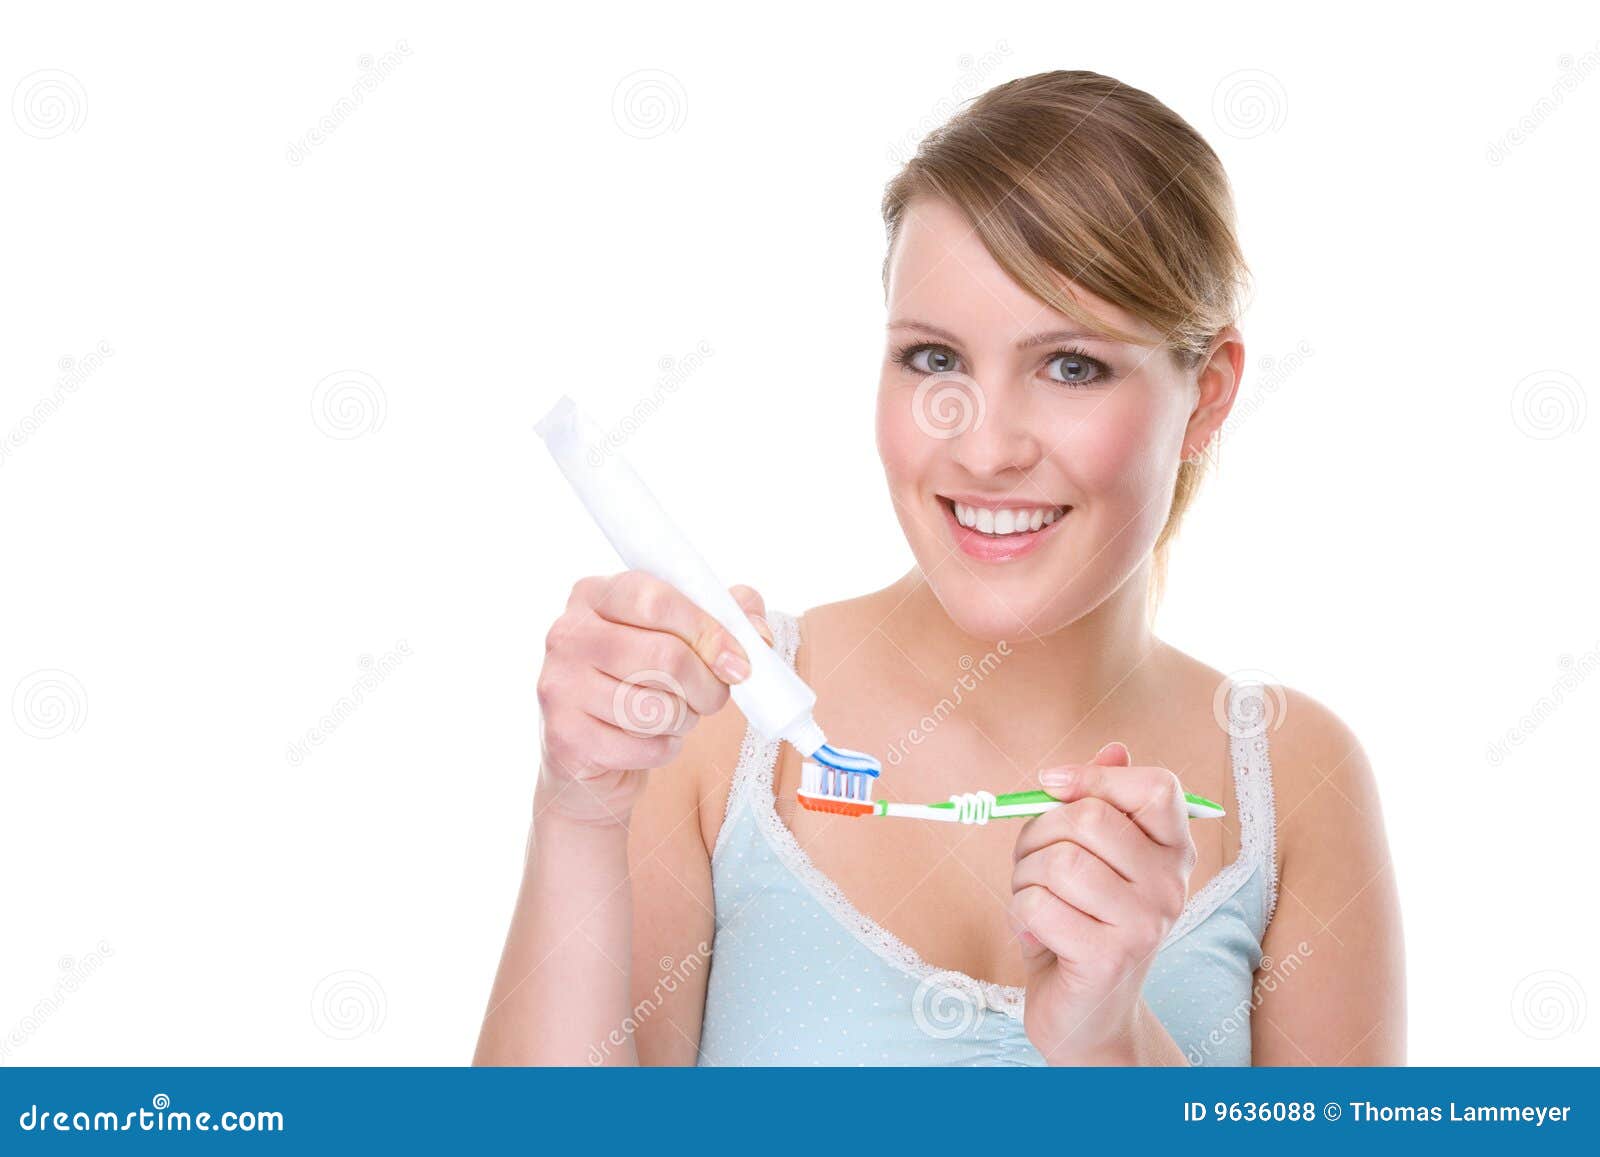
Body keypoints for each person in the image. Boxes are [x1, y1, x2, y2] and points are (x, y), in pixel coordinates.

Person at [475, 69, 1404, 1066]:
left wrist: (1109, 1041)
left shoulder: (1291, 778)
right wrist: (578, 809)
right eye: (933, 359)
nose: (983, 447)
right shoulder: (710, 727)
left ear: (1209, 396)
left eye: (1070, 365)